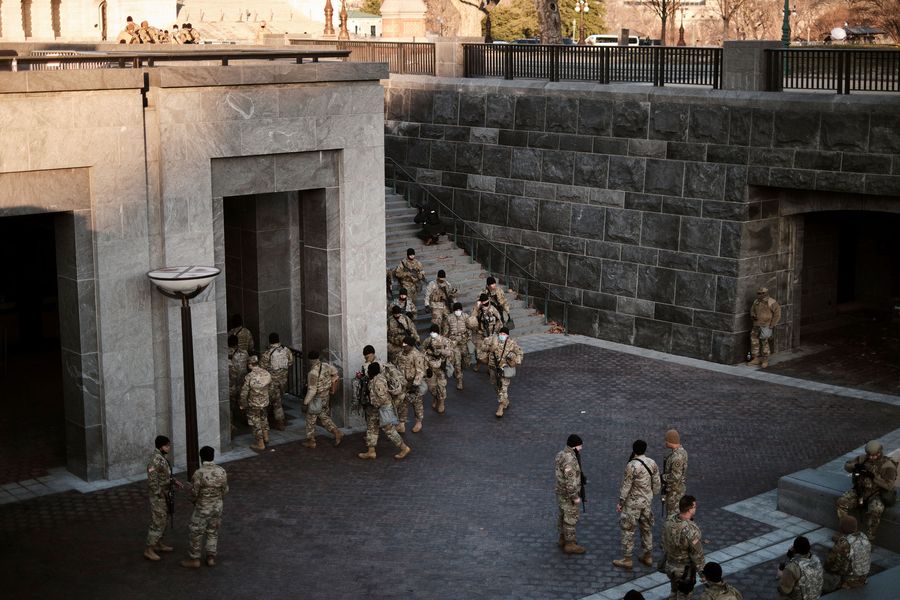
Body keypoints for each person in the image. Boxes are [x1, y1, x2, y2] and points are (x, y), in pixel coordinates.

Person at [613, 440, 662, 570]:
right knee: (646, 529)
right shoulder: (652, 463)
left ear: (633, 450)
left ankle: (627, 559)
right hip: (646, 503)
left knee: (628, 530)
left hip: (632, 504)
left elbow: (626, 486)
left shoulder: (631, 465)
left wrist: (621, 502)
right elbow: (657, 484)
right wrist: (650, 494)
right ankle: (648, 556)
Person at [836, 440, 897, 542]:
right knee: (841, 502)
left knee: (875, 510)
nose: (872, 457)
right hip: (859, 491)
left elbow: (889, 486)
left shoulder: (888, 465)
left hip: (876, 494)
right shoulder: (862, 459)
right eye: (869, 455)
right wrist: (855, 466)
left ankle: (869, 539)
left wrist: (873, 477)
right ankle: (845, 531)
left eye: (875, 455)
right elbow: (847, 466)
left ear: (880, 452)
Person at [180, 446, 228, 568]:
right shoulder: (221, 471)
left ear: (201, 458)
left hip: (203, 508)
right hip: (217, 507)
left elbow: (194, 493)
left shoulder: (199, 473)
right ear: (213, 456)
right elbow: (225, 490)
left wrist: (193, 501)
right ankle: (211, 557)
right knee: (213, 531)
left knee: (196, 532)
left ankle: (195, 559)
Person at [357, 362, 411, 460]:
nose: (367, 372)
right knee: (372, 428)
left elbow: (383, 398)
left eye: (369, 370)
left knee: (389, 430)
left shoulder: (378, 381)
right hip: (376, 409)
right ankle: (371, 451)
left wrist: (372, 402)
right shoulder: (374, 379)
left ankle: (404, 448)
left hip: (382, 409)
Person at [144, 435, 181, 561]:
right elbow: (152, 479)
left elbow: (163, 475)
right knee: (158, 521)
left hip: (164, 494)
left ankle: (158, 543)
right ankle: (149, 549)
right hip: (159, 497)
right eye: (167, 445)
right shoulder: (155, 460)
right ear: (161, 446)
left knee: (163, 519)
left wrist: (173, 481)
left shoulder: (161, 457)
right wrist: (159, 493)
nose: (169, 448)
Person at [662, 495, 705, 599]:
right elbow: (697, 554)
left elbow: (663, 543)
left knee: (673, 592)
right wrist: (703, 574)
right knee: (683, 596)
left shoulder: (669, 521)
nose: (695, 509)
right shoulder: (691, 529)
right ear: (689, 509)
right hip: (684, 572)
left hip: (670, 566)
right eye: (694, 507)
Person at [301, 350, 343, 449]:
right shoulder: (326, 365)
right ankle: (336, 432)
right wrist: (330, 382)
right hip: (326, 396)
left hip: (316, 398)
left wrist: (305, 403)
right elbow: (335, 373)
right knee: (324, 416)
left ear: (310, 360)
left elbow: (312, 390)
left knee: (310, 419)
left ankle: (311, 441)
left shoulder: (313, 373)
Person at [481, 326, 523, 418]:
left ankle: (500, 407)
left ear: (507, 335)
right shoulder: (492, 340)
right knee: (496, 386)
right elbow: (482, 347)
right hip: (493, 368)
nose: (502, 335)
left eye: (504, 334)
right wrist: (490, 347)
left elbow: (519, 353)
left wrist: (515, 361)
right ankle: (505, 401)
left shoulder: (511, 343)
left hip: (505, 369)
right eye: (501, 333)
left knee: (503, 387)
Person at [556, 434, 587, 554]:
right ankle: (570, 544)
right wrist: (575, 497)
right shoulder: (570, 459)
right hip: (568, 494)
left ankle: (562, 538)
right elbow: (570, 481)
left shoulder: (561, 454)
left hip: (561, 492)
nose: (581, 448)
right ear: (574, 446)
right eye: (580, 446)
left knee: (563, 515)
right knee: (570, 518)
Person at [822, 515, 870, 593]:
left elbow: (831, 566)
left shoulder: (843, 544)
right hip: (863, 577)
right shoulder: (864, 537)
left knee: (819, 576)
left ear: (842, 528)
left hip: (848, 581)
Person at [260, 332, 293, 431]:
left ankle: (279, 422)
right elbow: (290, 362)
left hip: (272, 382)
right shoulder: (286, 350)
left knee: (276, 402)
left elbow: (262, 367)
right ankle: (277, 419)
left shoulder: (267, 353)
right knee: (278, 400)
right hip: (283, 381)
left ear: (269, 341)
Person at [395, 336, 426, 433]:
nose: (403, 346)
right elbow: (396, 367)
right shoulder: (400, 354)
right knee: (402, 403)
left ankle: (418, 422)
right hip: (403, 383)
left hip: (413, 384)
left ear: (411, 345)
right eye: (403, 344)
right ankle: (401, 424)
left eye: (406, 345)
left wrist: (415, 384)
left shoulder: (417, 355)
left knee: (417, 404)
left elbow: (420, 371)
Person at [239, 356, 271, 450]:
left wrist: (243, 404)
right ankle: (266, 437)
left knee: (255, 422)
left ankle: (260, 444)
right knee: (264, 418)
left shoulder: (249, 376)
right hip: (265, 401)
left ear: (250, 365)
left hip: (254, 403)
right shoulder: (266, 373)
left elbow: (244, 392)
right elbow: (271, 387)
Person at [777, 536, 823, 600]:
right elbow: (801, 560)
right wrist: (791, 554)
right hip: (816, 595)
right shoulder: (816, 559)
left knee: (781, 594)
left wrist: (781, 575)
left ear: (794, 549)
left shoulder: (792, 567)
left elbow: (785, 591)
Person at [422, 324, 453, 414]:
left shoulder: (445, 340)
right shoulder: (427, 341)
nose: (433, 334)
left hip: (441, 367)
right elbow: (422, 352)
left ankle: (441, 403)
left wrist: (439, 351)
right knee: (432, 387)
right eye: (432, 332)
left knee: (441, 386)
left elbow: (449, 352)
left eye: (434, 332)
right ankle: (436, 397)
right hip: (430, 367)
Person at [747, 287, 781, 368]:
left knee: (764, 341)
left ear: (765, 293)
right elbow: (752, 310)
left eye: (761, 293)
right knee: (754, 340)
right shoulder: (756, 301)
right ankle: (756, 358)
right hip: (756, 324)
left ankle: (765, 359)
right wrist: (753, 315)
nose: (760, 295)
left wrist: (772, 325)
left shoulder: (772, 302)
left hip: (766, 325)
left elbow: (777, 314)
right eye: (758, 293)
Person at [445, 302, 473, 390]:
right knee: (457, 363)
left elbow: (470, 328)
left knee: (467, 362)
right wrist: (447, 344)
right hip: (454, 344)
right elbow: (446, 332)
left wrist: (469, 337)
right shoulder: (449, 318)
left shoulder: (466, 317)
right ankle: (459, 381)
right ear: (454, 310)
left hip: (464, 342)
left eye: (459, 309)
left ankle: (460, 370)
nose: (458, 311)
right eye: (456, 310)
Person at [471, 293, 503, 372]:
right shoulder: (478, 309)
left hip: (492, 334)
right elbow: (471, 320)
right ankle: (479, 364)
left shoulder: (493, 309)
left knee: (491, 351)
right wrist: (476, 308)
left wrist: (497, 331)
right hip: (481, 335)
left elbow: (499, 321)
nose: (485, 305)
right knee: (479, 354)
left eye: (486, 303)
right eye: (483, 303)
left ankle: (490, 367)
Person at [662, 429, 688, 517]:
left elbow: (675, 476)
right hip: (677, 490)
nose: (665, 442)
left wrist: (663, 477)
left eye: (666, 440)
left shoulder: (677, 457)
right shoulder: (682, 452)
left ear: (671, 441)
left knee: (672, 517)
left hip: (674, 493)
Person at [227, 334, 249, 430]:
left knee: (230, 405)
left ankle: (230, 425)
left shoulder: (224, 354)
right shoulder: (244, 353)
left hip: (231, 384)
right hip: (242, 383)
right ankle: (247, 420)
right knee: (243, 401)